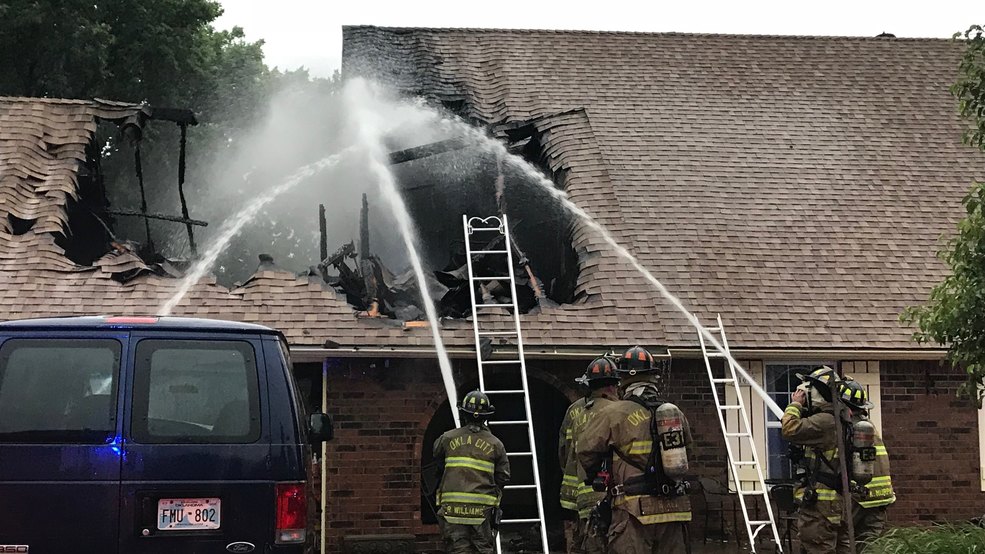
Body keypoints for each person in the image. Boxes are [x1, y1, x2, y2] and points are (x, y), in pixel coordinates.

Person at [577, 346, 692, 553]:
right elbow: (688, 452)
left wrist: (596, 475)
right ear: (652, 378)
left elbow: (586, 450)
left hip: (632, 511)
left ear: (623, 381)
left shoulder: (613, 413)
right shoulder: (675, 414)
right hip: (675, 509)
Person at [782, 366, 850, 554]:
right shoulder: (840, 417)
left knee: (818, 547)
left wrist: (795, 405)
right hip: (837, 502)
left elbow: (789, 429)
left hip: (821, 506)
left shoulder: (824, 421)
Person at [433, 390, 510, 554]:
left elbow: (437, 460)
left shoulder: (446, 439)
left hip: (452, 512)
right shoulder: (496, 444)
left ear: (463, 413)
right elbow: (503, 477)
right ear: (486, 416)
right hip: (481, 513)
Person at [562, 356, 621, 553]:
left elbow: (564, 453)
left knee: (582, 543)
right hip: (609, 494)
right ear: (613, 387)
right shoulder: (619, 412)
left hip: (579, 493)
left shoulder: (576, 412)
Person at [837, 380, 896, 545]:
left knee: (844, 541)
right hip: (881, 497)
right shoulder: (868, 427)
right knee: (871, 545)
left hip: (860, 495)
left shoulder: (850, 429)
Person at [559, 368, 590, 551]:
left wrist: (567, 471)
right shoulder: (615, 409)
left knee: (579, 537)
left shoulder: (573, 410)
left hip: (574, 486)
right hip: (601, 488)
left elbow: (562, 449)